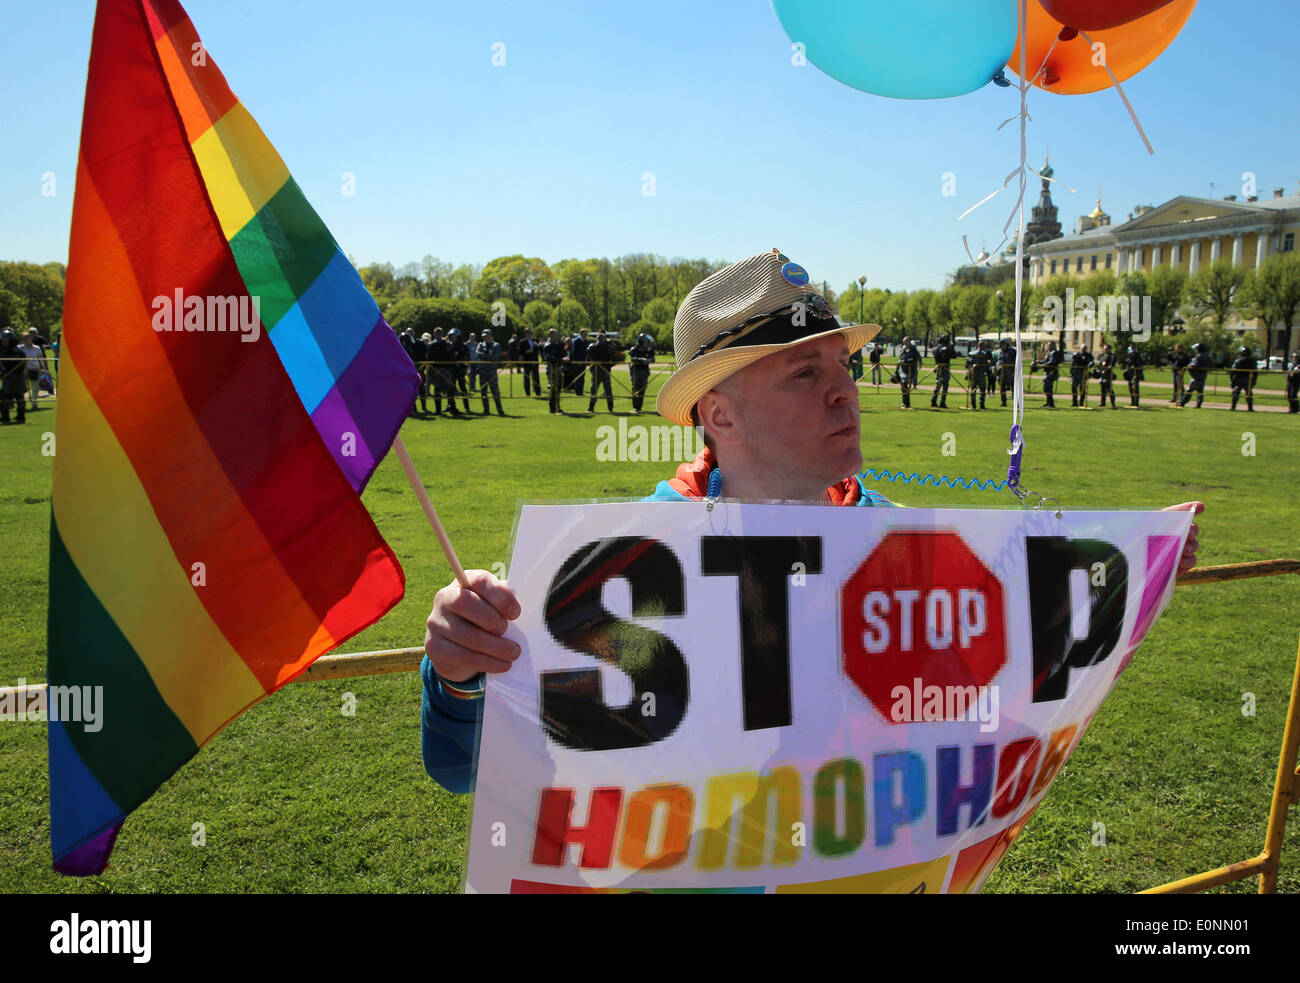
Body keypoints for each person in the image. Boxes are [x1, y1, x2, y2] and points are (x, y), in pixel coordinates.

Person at [419, 248, 1205, 796]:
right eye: (805, 372)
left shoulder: (906, 545)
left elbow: (995, 706)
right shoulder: (631, 563)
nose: (845, 392)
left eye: (843, 367)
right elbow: (471, 769)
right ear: (719, 413)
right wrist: (460, 671)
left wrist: (1126, 574)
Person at [428, 328, 460, 416]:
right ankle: (452, 407)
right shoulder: (447, 344)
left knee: (437, 389)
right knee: (449, 389)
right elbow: (452, 356)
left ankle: (438, 410)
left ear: (434, 334)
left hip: (437, 369)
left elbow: (429, 357)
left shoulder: (432, 344)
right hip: (448, 369)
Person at [0, 328, 28, 424]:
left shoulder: (17, 351)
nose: (4, 341)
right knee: (5, 398)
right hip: (8, 377)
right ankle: (5, 417)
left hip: (16, 377)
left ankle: (20, 416)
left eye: (6, 339)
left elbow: (19, 364)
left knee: (19, 398)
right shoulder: (2, 350)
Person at [476, 329, 506, 416]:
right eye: (484, 336)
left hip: (492, 371)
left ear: (491, 336)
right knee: (483, 391)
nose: (485, 338)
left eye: (486, 336)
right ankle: (486, 410)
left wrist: (485, 357)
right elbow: (478, 354)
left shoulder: (496, 345)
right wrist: (489, 357)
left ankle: (499, 409)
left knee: (495, 391)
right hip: (482, 371)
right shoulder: (480, 345)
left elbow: (496, 357)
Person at [586, 331, 617, 413]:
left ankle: (608, 408)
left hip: (602, 371)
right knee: (601, 390)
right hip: (600, 371)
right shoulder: (596, 346)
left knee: (601, 390)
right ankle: (593, 408)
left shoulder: (605, 347)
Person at [18, 329, 48, 411]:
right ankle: (22, 404)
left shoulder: (36, 348)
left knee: (35, 387)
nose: (25, 340)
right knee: (23, 387)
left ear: (30, 338)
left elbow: (40, 358)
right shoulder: (20, 348)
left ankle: (34, 403)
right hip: (24, 369)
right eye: (23, 338)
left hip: (35, 368)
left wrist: (43, 368)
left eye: (27, 338)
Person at [541, 328, 567, 415]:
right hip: (552, 369)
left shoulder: (558, 344)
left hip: (559, 368)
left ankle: (557, 406)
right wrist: (561, 359)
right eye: (555, 334)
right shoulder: (548, 345)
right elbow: (548, 358)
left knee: (558, 388)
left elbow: (564, 351)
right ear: (551, 335)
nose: (557, 336)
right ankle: (552, 408)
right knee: (553, 388)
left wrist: (566, 357)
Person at [628, 332, 655, 413]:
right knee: (635, 388)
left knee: (642, 389)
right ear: (641, 342)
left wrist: (650, 360)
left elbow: (653, 358)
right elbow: (633, 358)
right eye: (646, 342)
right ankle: (635, 407)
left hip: (644, 372)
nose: (647, 344)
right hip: (635, 372)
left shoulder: (648, 350)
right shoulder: (634, 349)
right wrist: (642, 360)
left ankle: (639, 407)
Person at [1179, 342, 1212, 409]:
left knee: (1190, 390)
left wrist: (1189, 367)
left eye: (1196, 349)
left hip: (1197, 375)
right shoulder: (1206, 355)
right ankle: (1199, 404)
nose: (1195, 350)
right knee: (1200, 391)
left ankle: (1182, 403)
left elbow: (1195, 364)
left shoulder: (1200, 356)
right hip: (1202, 375)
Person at [449, 329, 474, 414]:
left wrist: (461, 361)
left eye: (455, 336)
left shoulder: (463, 346)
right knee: (451, 389)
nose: (453, 338)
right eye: (452, 336)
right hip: (451, 370)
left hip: (460, 370)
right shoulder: (448, 345)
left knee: (463, 388)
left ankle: (467, 407)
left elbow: (467, 357)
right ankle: (451, 406)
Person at [1229, 345, 1258, 412]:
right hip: (1248, 379)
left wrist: (1231, 379)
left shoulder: (1238, 360)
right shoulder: (1253, 361)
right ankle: (1250, 408)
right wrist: (1254, 380)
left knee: (1236, 393)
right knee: (1248, 393)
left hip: (1239, 379)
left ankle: (1233, 406)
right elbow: (1255, 372)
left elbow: (1233, 371)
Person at [966, 339, 993, 410]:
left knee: (974, 389)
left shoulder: (972, 354)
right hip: (980, 374)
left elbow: (967, 364)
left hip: (974, 374)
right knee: (982, 390)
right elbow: (989, 364)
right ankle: (981, 404)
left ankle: (974, 404)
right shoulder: (986, 354)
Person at [930, 334, 955, 408]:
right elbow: (954, 355)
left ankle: (934, 400)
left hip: (938, 367)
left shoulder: (935, 348)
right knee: (944, 386)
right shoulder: (945, 349)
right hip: (944, 368)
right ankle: (942, 402)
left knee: (938, 385)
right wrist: (951, 348)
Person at [1036, 340, 1063, 408]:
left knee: (1048, 387)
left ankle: (1051, 403)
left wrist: (1044, 365)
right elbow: (1046, 361)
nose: (1048, 346)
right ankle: (1049, 402)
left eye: (1050, 345)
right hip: (1047, 372)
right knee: (1046, 388)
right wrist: (1039, 362)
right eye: (1048, 345)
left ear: (1053, 345)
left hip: (1052, 372)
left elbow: (1052, 362)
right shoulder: (1049, 352)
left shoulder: (1054, 353)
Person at [897, 335, 921, 409]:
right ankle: (905, 403)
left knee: (905, 386)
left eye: (905, 342)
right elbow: (900, 358)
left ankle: (907, 403)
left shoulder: (913, 349)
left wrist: (920, 364)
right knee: (903, 386)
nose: (904, 343)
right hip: (903, 370)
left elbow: (916, 358)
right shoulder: (903, 349)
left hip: (911, 370)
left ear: (908, 341)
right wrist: (897, 368)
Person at [518, 329, 541, 397]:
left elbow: (540, 349)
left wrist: (538, 345)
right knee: (527, 377)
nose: (530, 334)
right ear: (525, 334)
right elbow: (520, 352)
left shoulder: (535, 340)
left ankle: (538, 393)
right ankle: (528, 393)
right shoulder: (522, 342)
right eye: (529, 333)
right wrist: (526, 352)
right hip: (527, 361)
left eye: (531, 332)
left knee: (536, 377)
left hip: (534, 361)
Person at [414, 332, 433, 414]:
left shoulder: (419, 344)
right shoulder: (414, 344)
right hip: (414, 369)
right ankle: (413, 408)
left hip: (420, 369)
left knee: (422, 388)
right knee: (414, 389)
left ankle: (423, 407)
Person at [1096, 344, 1117, 409]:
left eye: (1106, 348)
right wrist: (1099, 370)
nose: (1105, 349)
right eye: (1104, 348)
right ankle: (1103, 403)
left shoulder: (1112, 356)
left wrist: (1105, 370)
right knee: (1103, 390)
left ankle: (1113, 404)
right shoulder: (1102, 356)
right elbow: (1100, 364)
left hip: (1108, 375)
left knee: (1109, 390)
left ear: (1109, 349)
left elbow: (1111, 365)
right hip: (1102, 375)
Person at [996, 338, 1016, 407]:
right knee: (1002, 388)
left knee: (1013, 388)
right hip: (1001, 373)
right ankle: (1004, 402)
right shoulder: (998, 352)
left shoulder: (1012, 351)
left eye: (1004, 343)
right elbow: (996, 361)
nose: (1002, 345)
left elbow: (1015, 361)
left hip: (1010, 373)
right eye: (1001, 344)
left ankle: (1016, 403)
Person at [569, 327, 589, 396]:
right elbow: (574, 352)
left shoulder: (586, 341)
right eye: (585, 333)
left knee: (582, 377)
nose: (586, 334)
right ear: (581, 333)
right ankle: (577, 391)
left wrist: (586, 360)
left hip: (583, 362)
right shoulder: (576, 341)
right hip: (577, 362)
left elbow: (586, 352)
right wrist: (577, 361)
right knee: (577, 376)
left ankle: (581, 391)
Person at [1287, 349, 1300, 414]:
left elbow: (1296, 371)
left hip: (1295, 382)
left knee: (1293, 395)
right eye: (1294, 357)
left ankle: (1295, 409)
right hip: (1290, 381)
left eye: (1296, 357)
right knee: (1289, 396)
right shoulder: (1292, 364)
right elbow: (1289, 371)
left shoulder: (1298, 364)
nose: (1294, 358)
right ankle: (1292, 408)